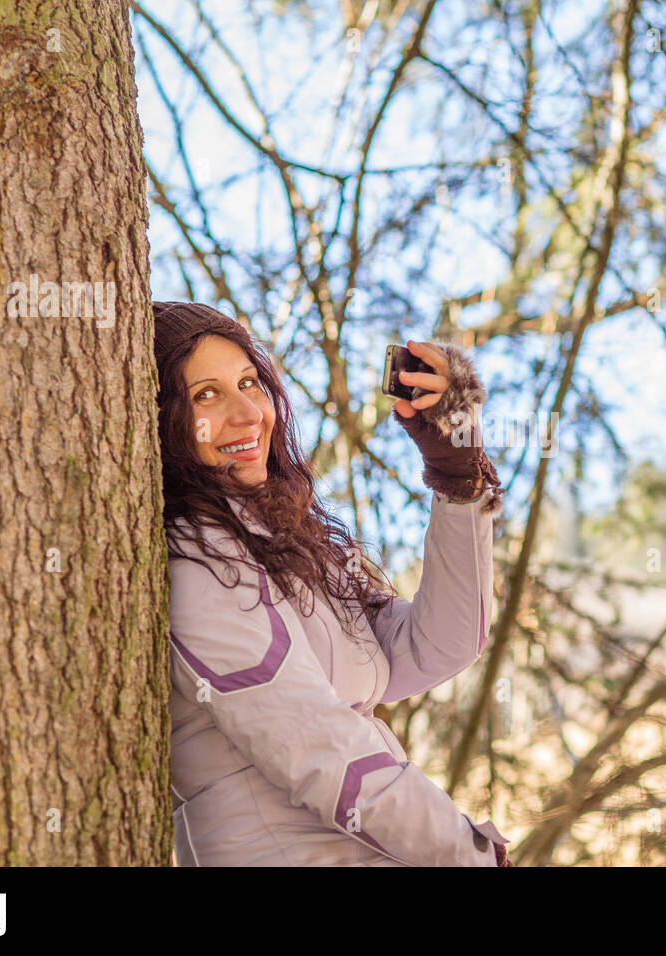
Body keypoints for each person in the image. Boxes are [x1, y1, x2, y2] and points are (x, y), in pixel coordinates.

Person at [154, 300, 513, 866]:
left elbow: (438, 645)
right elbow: (315, 747)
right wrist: (468, 854)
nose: (249, 413)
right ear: (163, 419)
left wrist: (457, 476)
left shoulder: (281, 541)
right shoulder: (200, 562)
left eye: (250, 382)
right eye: (206, 394)